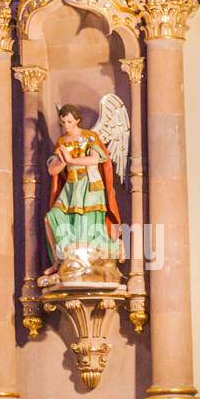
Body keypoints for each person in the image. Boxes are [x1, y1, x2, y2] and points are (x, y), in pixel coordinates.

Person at [43, 105, 122, 275]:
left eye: (70, 121)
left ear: (77, 120)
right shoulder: (62, 141)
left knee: (85, 228)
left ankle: (89, 264)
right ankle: (58, 260)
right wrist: (64, 160)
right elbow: (53, 171)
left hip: (89, 186)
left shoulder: (90, 137)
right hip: (71, 187)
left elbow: (95, 160)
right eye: (63, 122)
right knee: (50, 218)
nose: (66, 125)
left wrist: (71, 159)